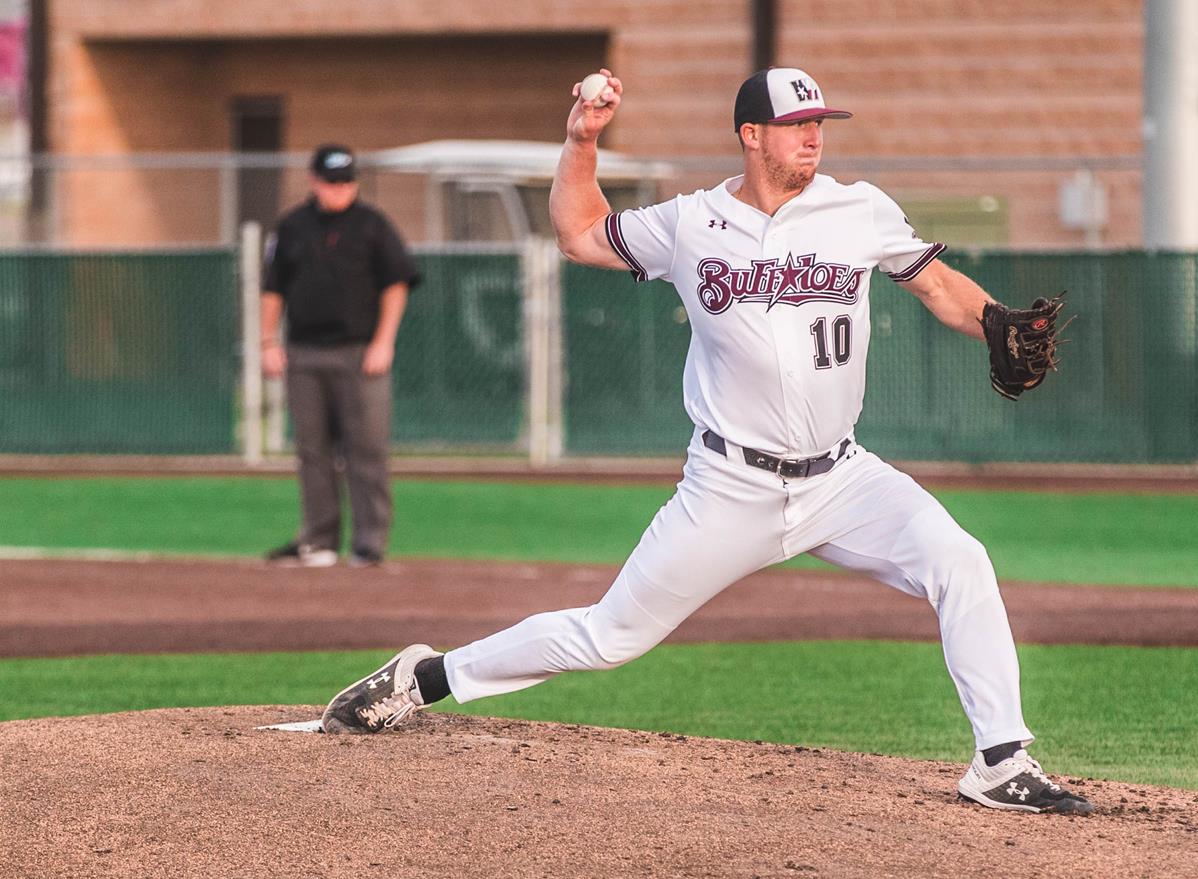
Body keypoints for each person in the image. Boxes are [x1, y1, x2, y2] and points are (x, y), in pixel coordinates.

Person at [321, 68, 1087, 815]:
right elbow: (580, 234)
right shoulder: (689, 224)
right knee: (609, 635)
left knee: (960, 560)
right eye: (796, 128)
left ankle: (1001, 760)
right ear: (751, 136)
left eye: (819, 125)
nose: (812, 139)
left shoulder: (860, 210)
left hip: (843, 481)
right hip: (731, 487)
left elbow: (936, 285)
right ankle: (421, 680)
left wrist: (994, 319)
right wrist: (581, 140)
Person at [261, 144, 419, 568]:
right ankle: (319, 539)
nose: (339, 190)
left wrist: (384, 341)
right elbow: (273, 288)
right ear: (314, 181)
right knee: (312, 450)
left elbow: (397, 283)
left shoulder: (372, 226)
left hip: (358, 352)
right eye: (332, 182)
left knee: (366, 450)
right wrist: (267, 342)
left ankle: (369, 544)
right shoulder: (293, 226)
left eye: (347, 181)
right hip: (305, 353)